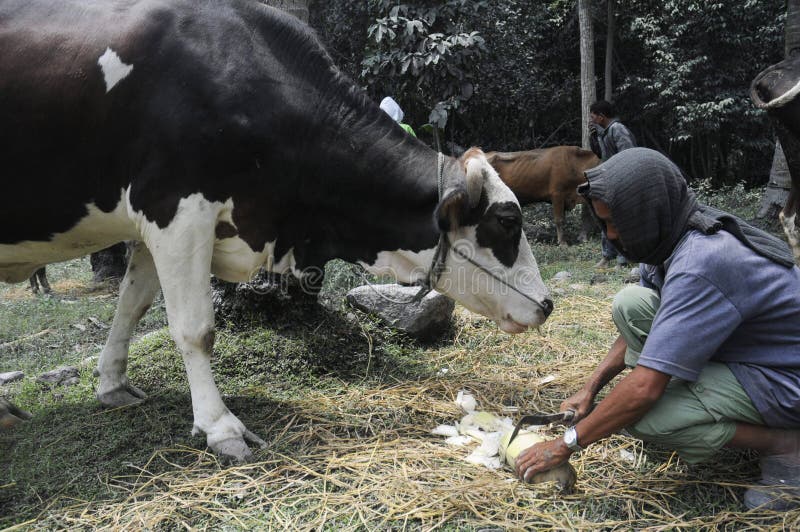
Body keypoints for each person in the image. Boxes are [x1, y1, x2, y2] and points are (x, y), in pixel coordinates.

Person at [515, 148, 800, 511]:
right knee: (631, 303)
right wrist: (591, 389)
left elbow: (645, 390)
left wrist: (564, 444)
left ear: (646, 212)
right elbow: (656, 312)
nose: (613, 234)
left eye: (619, 222)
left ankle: (786, 445)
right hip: (749, 350)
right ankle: (704, 401)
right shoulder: (671, 232)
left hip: (786, 378)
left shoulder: (701, 262)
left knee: (648, 417)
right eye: (605, 223)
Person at [588, 100, 637, 268]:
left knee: (620, 219)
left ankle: (623, 259)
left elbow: (628, 155)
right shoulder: (605, 132)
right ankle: (607, 256)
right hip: (609, 179)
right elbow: (602, 155)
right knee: (607, 219)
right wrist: (595, 137)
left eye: (593, 116)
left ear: (602, 117)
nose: (592, 120)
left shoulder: (618, 129)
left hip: (623, 179)